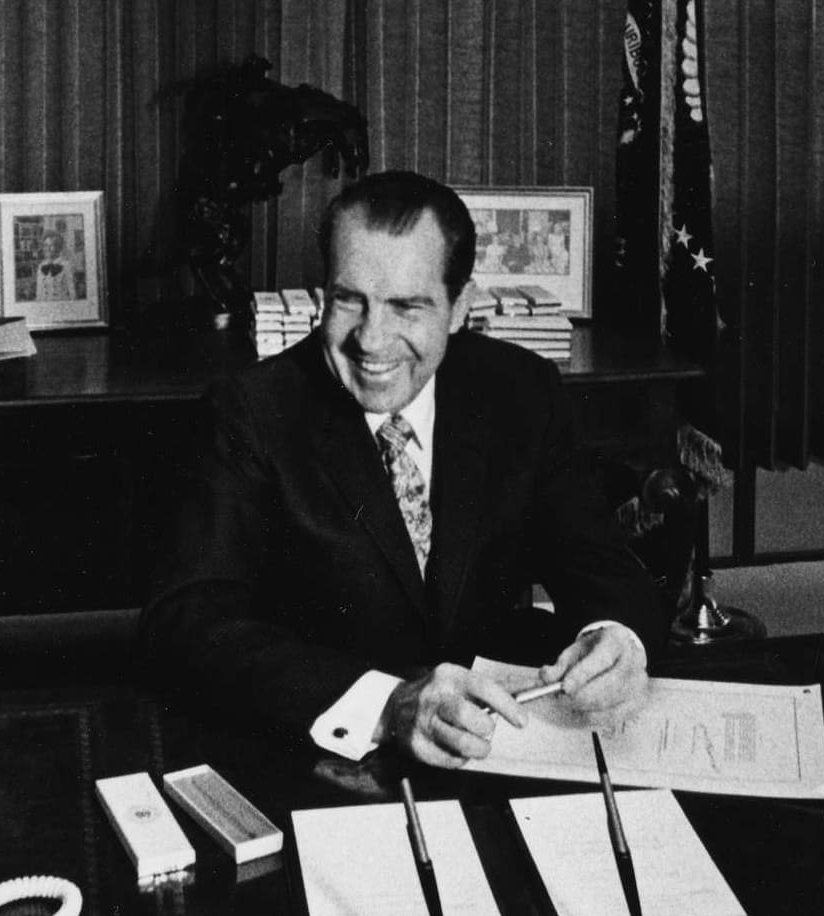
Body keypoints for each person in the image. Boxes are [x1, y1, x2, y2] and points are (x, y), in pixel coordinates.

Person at [140, 171, 665, 769]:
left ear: (460, 307)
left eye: (407, 307)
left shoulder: (522, 392)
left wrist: (618, 639)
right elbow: (186, 625)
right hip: (319, 759)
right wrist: (390, 704)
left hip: (497, 751)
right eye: (348, 300)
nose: (371, 339)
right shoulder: (250, 411)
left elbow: (601, 565)